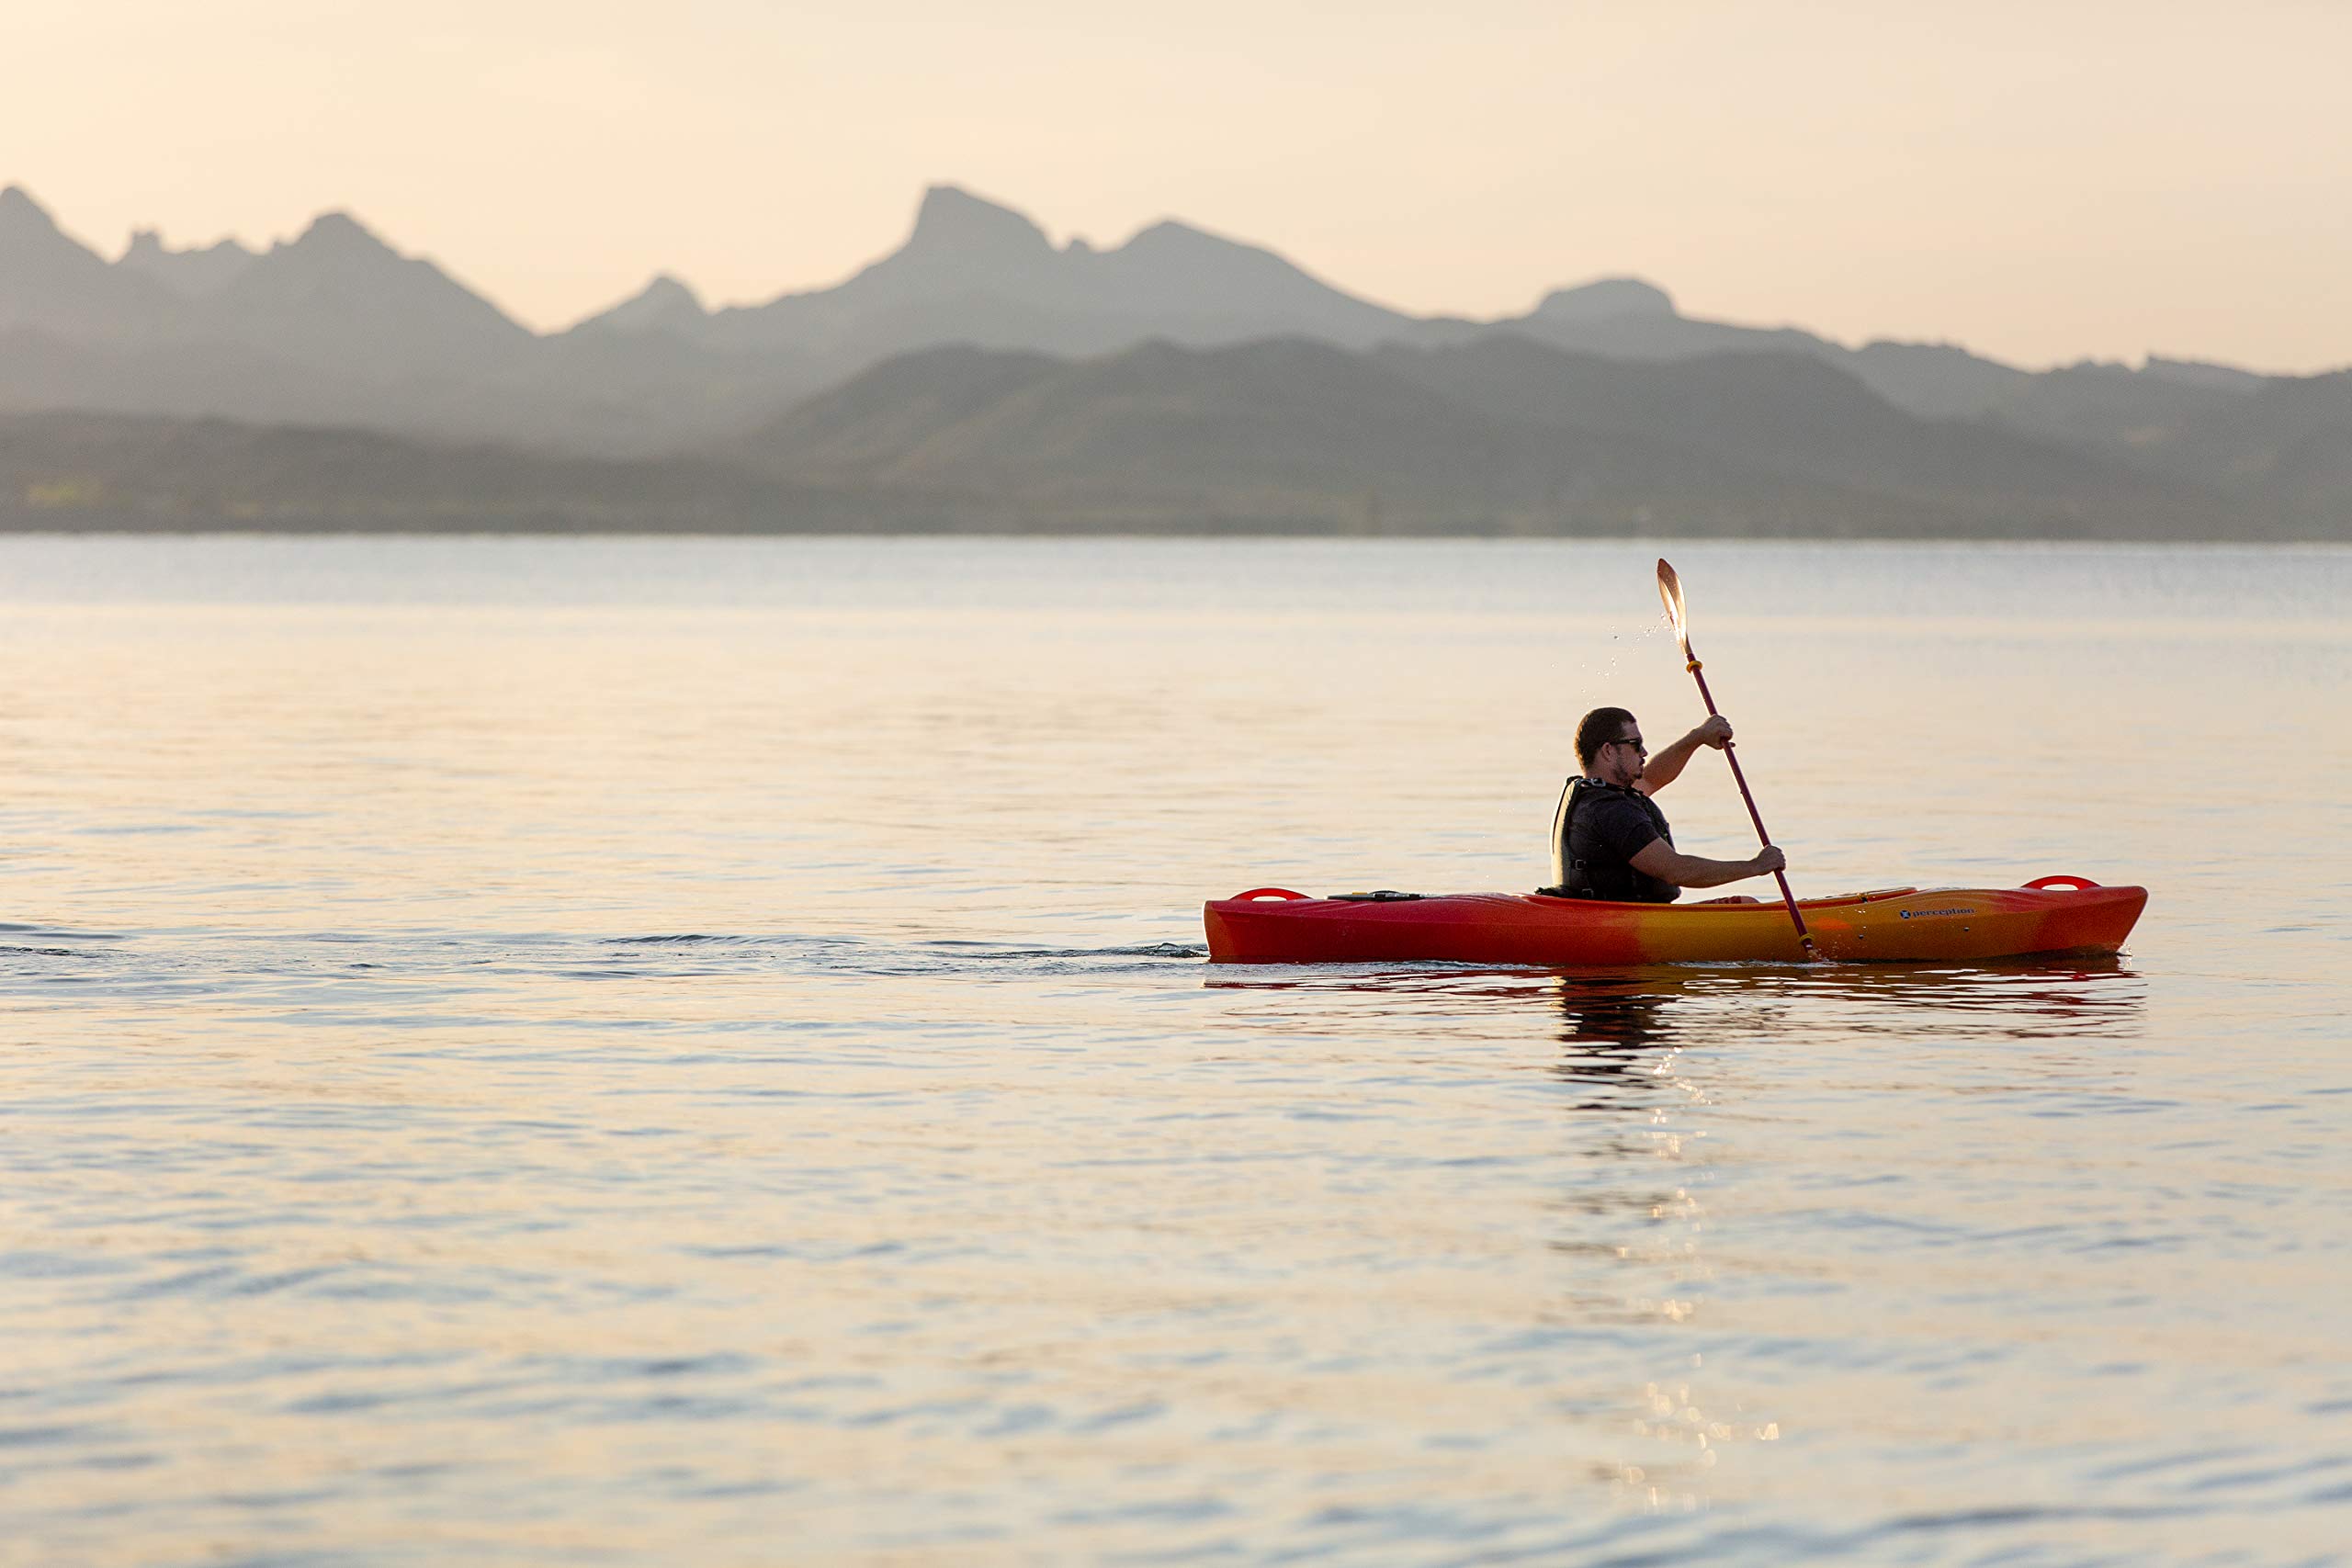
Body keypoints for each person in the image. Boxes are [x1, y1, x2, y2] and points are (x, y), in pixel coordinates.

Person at [1540, 706, 1786, 902]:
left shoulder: (1596, 794)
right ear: (1608, 751)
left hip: (1625, 916)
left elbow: (1653, 776)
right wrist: (1756, 866)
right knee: (1747, 907)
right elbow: (1675, 870)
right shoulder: (1611, 811)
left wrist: (1698, 737)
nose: (1644, 752)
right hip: (1622, 925)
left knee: (1746, 904)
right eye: (1635, 745)